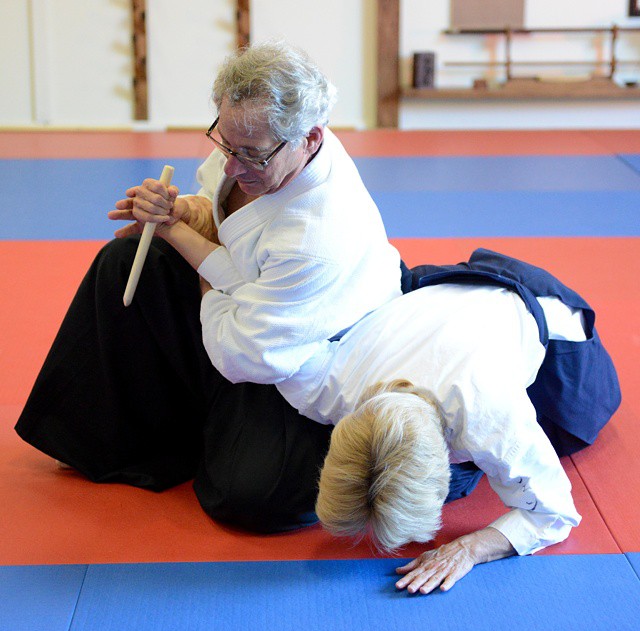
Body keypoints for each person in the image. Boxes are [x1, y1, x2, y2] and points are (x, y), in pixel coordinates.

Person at [14, 41, 403, 532]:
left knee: (250, 497)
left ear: (309, 138)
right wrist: (176, 213)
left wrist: (190, 246)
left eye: (252, 156)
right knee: (126, 261)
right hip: (240, 305)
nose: (235, 166)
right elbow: (217, 215)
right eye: (226, 145)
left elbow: (247, 355)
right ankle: (134, 437)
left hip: (301, 347)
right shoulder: (252, 138)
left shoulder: (318, 234)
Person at [275, 248, 621, 593]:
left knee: (580, 423)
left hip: (540, 307)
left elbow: (555, 516)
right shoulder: (320, 384)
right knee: (390, 477)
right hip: (445, 289)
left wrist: (467, 550)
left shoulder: (492, 419)